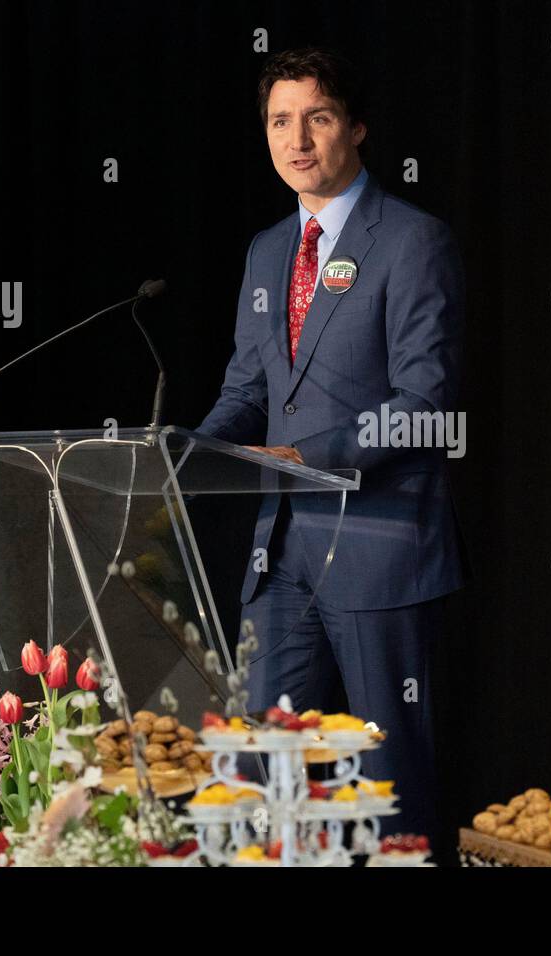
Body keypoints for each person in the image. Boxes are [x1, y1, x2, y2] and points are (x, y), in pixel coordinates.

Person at [197, 48, 466, 848]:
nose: (297, 138)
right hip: (280, 557)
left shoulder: (414, 241)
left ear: (355, 127)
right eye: (280, 121)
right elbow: (249, 389)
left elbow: (425, 404)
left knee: (392, 785)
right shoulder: (267, 251)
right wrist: (187, 452)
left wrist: (304, 460)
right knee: (259, 778)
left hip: (382, 550)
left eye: (315, 117)